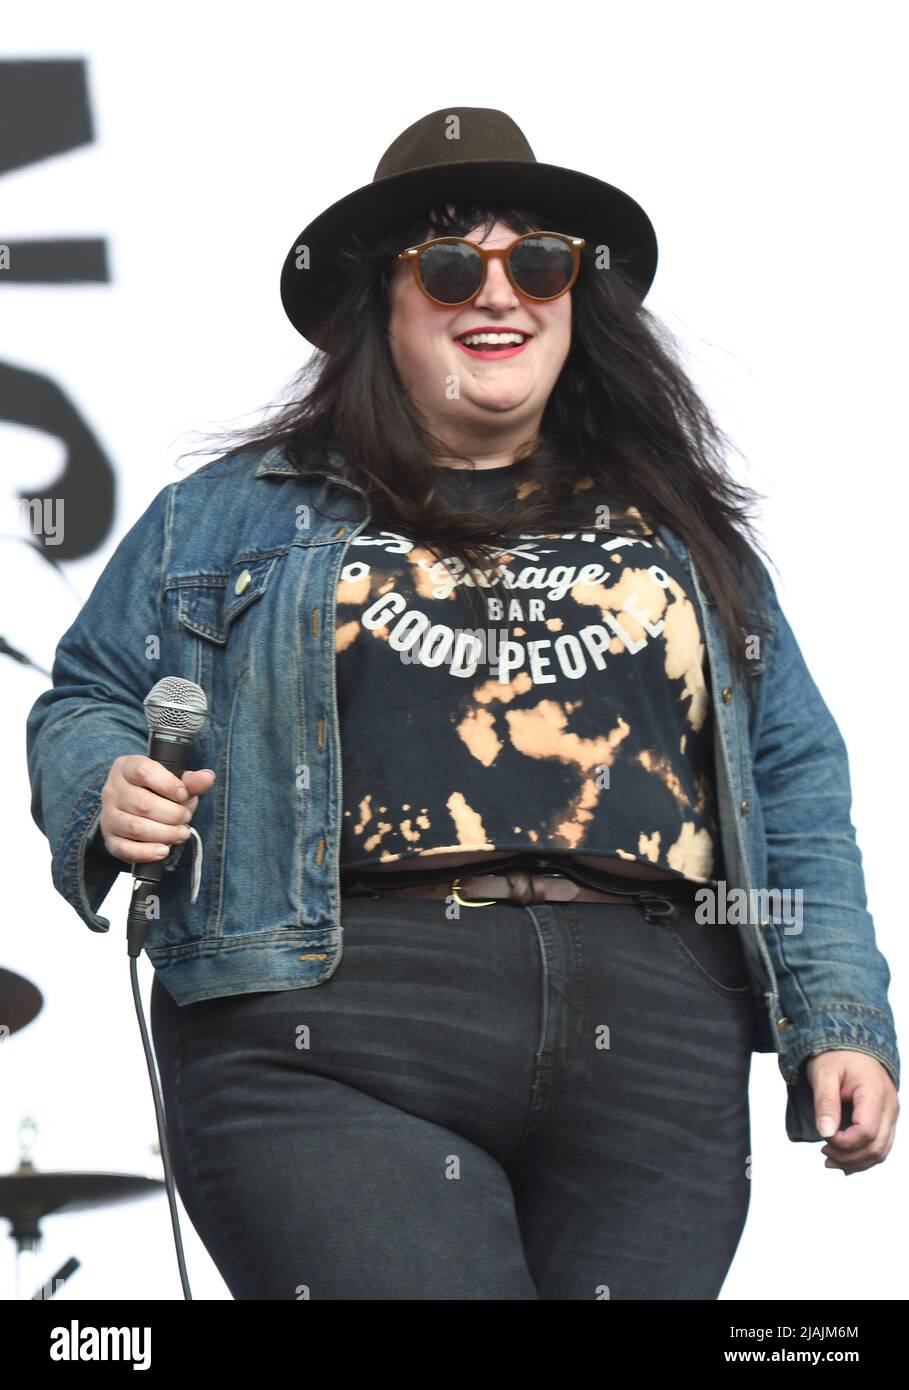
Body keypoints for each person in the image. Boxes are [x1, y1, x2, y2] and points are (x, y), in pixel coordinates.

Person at [26, 107, 899, 1300]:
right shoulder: (230, 513)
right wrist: (106, 785)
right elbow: (87, 697)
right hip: (332, 1022)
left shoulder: (681, 535)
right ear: (376, 307)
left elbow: (790, 769)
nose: (503, 293)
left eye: (539, 262)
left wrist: (838, 1011)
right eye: (450, 267)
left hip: (654, 1044)